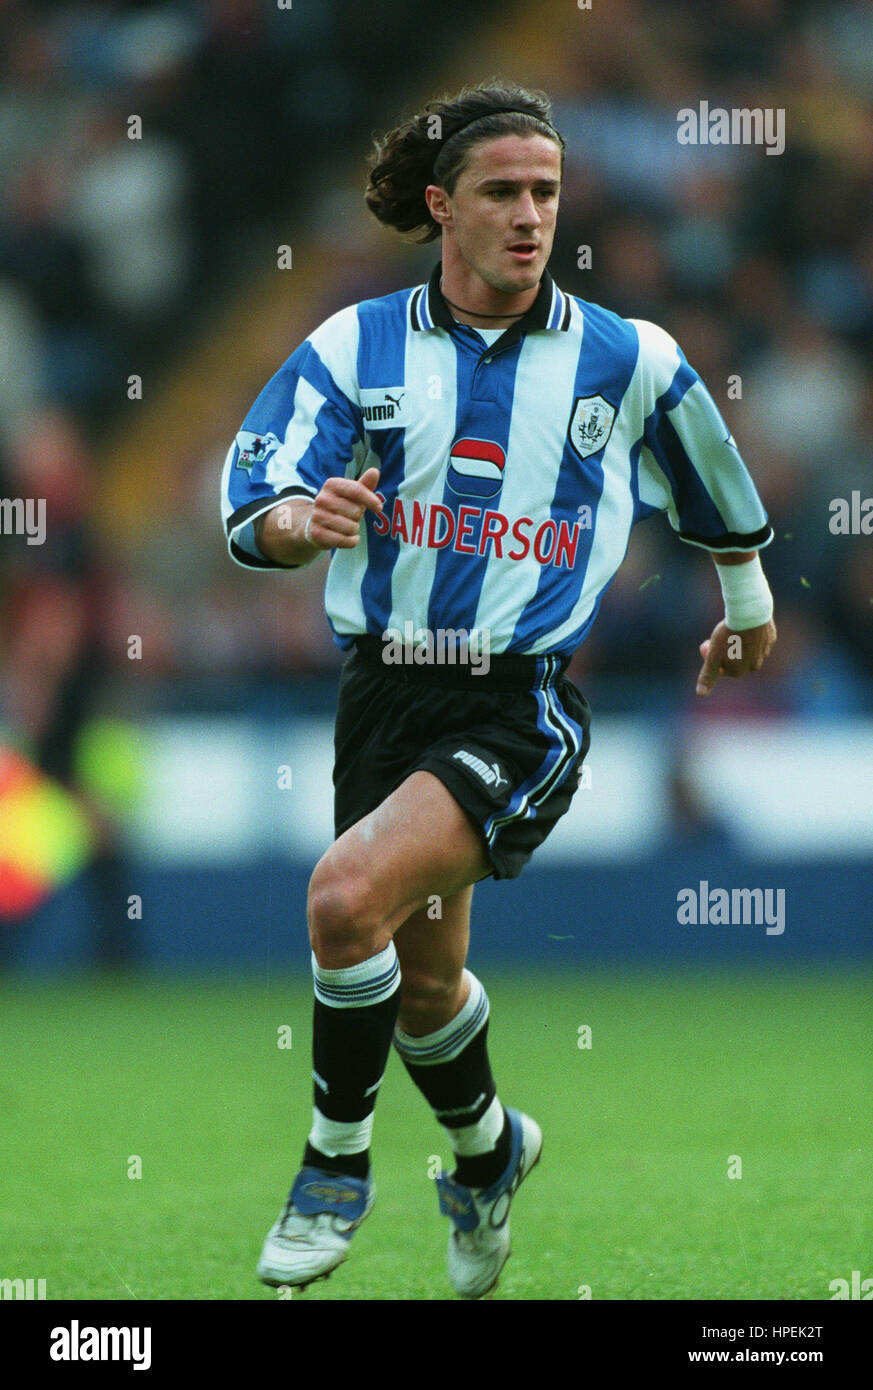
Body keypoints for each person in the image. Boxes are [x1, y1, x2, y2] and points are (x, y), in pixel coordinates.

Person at [221, 82, 777, 1299]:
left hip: (518, 704)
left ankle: (333, 1163)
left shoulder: (627, 358)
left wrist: (746, 611)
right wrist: (299, 524)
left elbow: (717, 485)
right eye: (502, 194)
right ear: (441, 207)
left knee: (340, 897)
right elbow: (252, 497)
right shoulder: (353, 347)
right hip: (382, 693)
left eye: (546, 193)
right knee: (419, 989)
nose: (531, 217)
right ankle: (488, 1153)